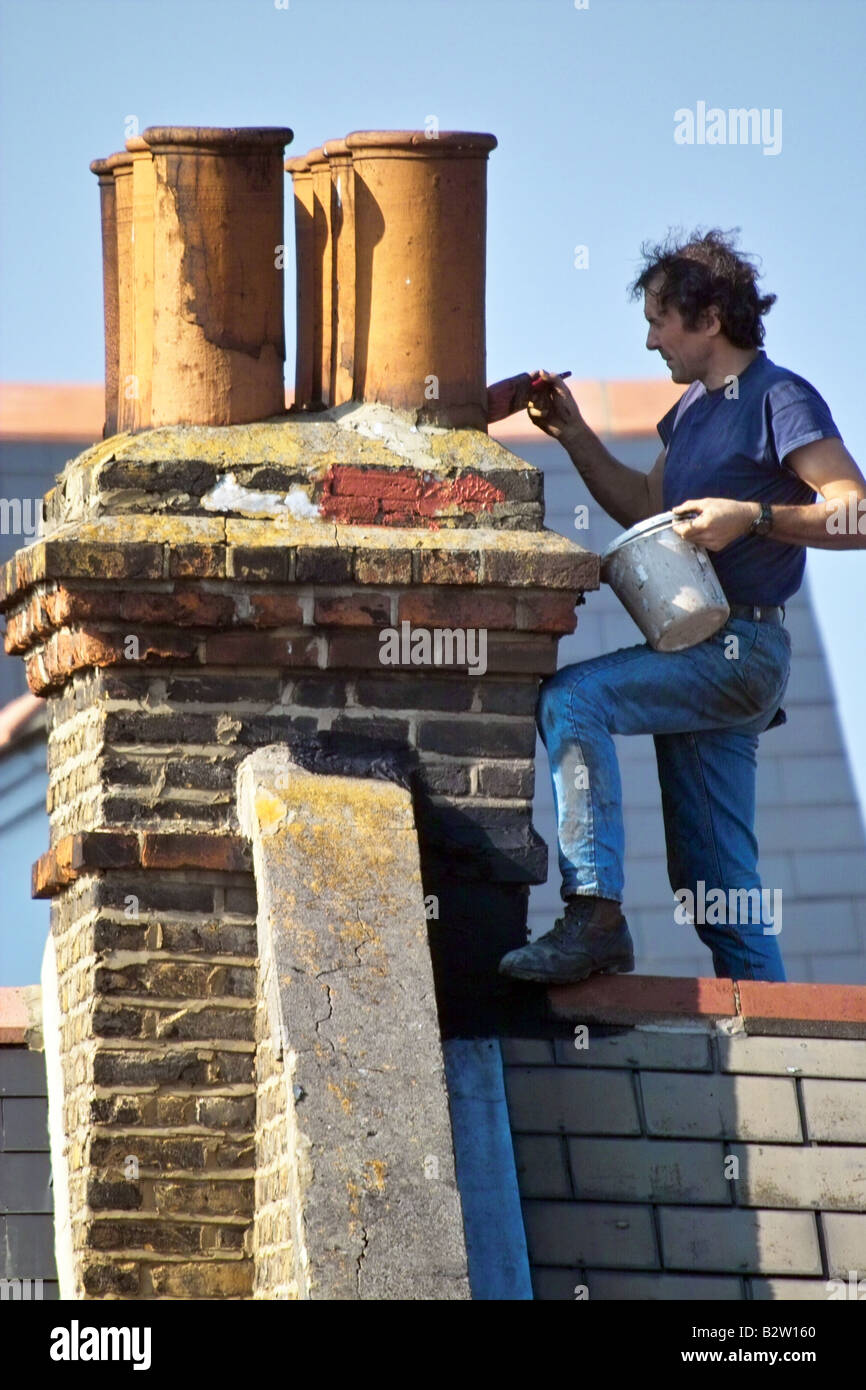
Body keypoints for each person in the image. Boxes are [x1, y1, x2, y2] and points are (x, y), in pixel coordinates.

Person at [499, 228, 866, 985]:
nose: (648, 338)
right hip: (705, 653)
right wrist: (572, 434)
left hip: (742, 650)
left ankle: (593, 915)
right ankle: (786, 1042)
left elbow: (854, 513)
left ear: (709, 319)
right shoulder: (694, 411)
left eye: (661, 319)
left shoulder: (779, 396)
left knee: (573, 700)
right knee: (717, 891)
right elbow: (643, 502)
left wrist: (754, 518)